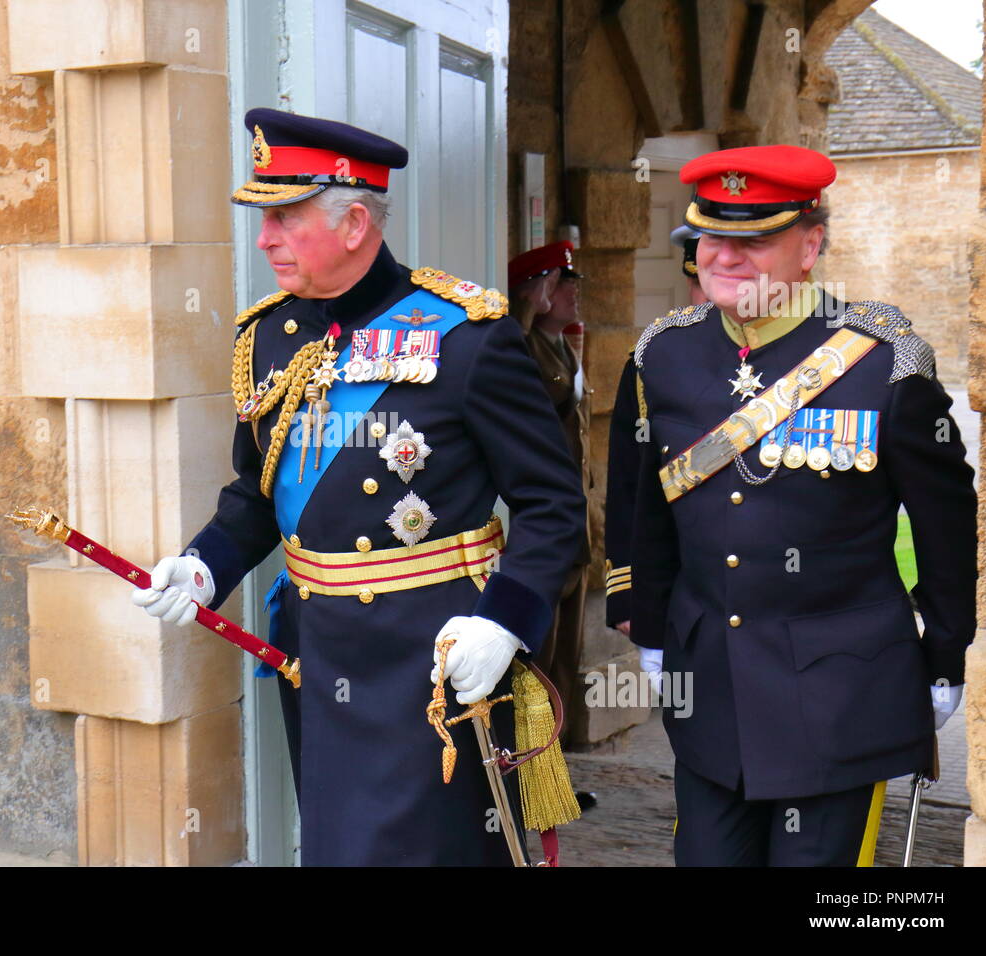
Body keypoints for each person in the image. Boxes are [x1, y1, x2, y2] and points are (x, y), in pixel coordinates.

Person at [131, 108, 587, 866]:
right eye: (262, 219)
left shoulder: (465, 335)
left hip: (434, 660)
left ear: (351, 222)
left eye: (283, 217)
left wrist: (505, 620)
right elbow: (259, 491)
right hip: (316, 650)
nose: (265, 238)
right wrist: (206, 562)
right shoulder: (269, 336)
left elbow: (552, 502)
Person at [629, 144, 976, 866]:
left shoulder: (885, 360)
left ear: (810, 243)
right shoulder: (663, 354)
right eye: (712, 237)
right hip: (710, 691)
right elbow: (644, 506)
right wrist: (651, 628)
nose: (725, 256)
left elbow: (945, 526)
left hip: (840, 694)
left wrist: (944, 657)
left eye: (754, 239)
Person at [507, 243, 598, 799]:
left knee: (563, 661)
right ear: (537, 290)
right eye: (562, 282)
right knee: (535, 664)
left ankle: (554, 780)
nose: (573, 291)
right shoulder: (523, 349)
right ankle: (531, 784)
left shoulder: (559, 348)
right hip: (542, 532)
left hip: (573, 530)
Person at [605, 226, 703, 637]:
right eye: (700, 281)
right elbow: (629, 481)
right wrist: (628, 595)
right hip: (684, 590)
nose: (713, 296)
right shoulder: (654, 358)